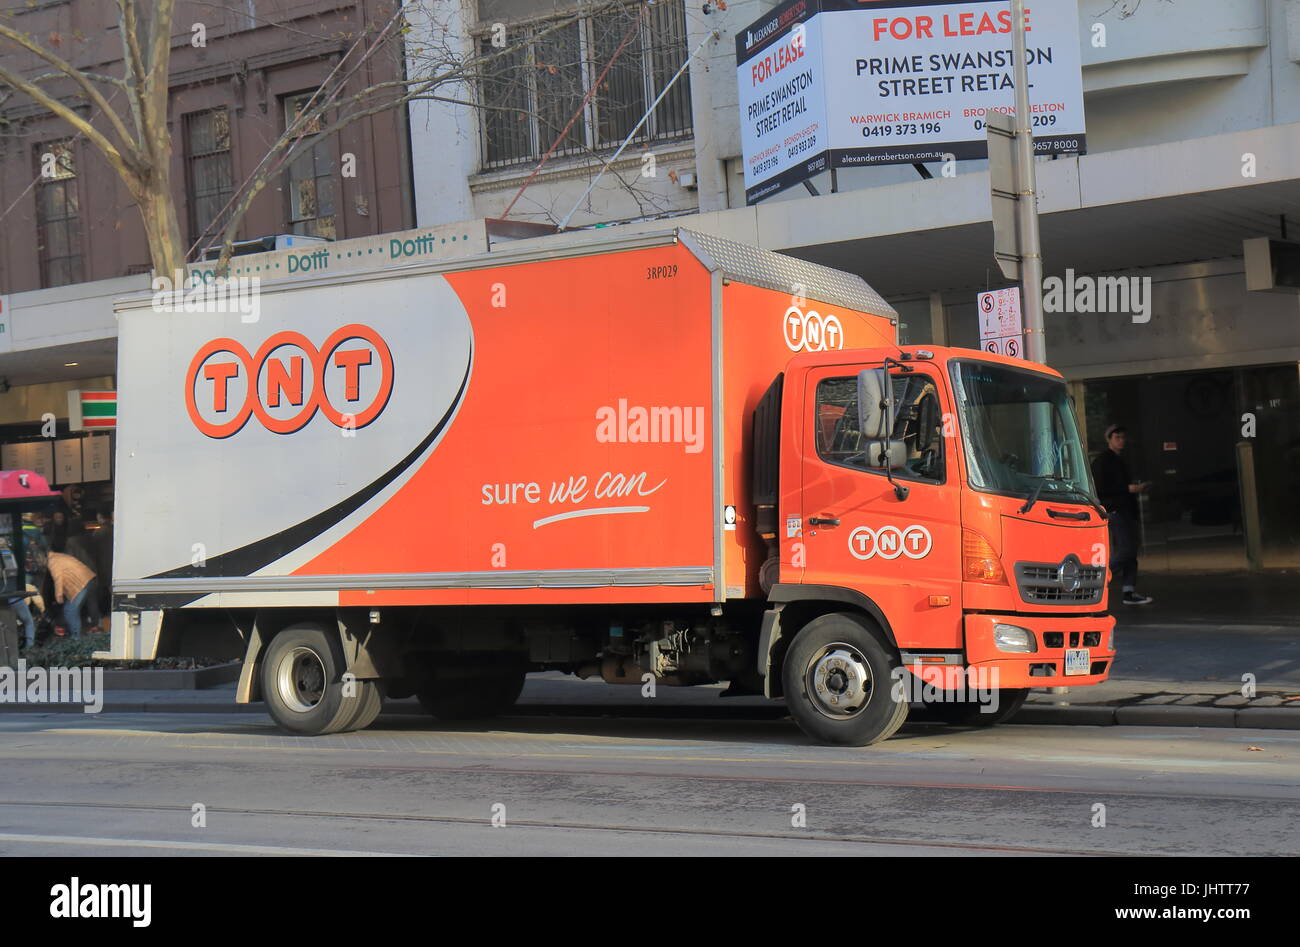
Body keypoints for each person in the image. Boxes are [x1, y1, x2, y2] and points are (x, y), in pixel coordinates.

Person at [1091, 424, 1153, 605]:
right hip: (1115, 510)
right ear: (1109, 439)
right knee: (1126, 549)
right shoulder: (1103, 461)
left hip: (1126, 509)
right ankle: (1099, 577)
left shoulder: (1121, 460)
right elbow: (1101, 487)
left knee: (1131, 550)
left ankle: (1129, 591)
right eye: (1117, 437)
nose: (1121, 441)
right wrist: (1127, 489)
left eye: (1122, 437)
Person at [37, 549, 96, 639]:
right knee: (71, 609)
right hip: (85, 579)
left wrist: (58, 595)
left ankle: (75, 638)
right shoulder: (56, 557)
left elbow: (58, 579)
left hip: (80, 583)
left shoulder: (53, 562)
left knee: (70, 611)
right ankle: (76, 634)